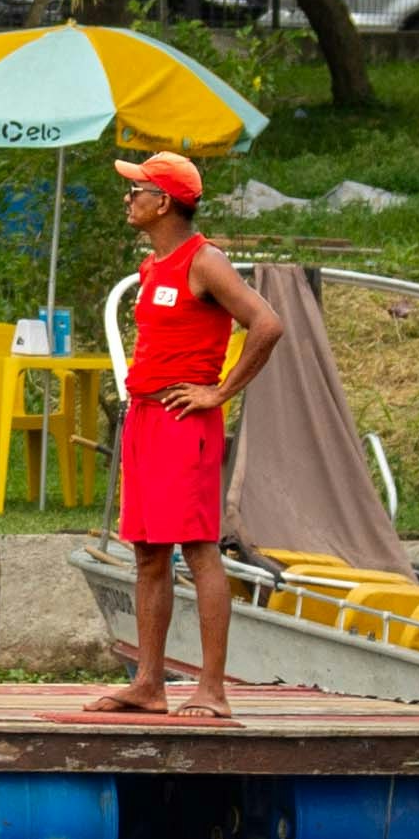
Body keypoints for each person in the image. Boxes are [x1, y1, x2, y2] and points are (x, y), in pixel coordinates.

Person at [84, 149, 282, 718]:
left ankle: (212, 690)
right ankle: (149, 682)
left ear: (163, 201)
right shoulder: (152, 267)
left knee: (197, 549)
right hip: (145, 418)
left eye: (137, 189)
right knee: (148, 552)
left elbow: (267, 324)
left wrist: (220, 391)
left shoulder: (205, 261)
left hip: (184, 422)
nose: (128, 197)